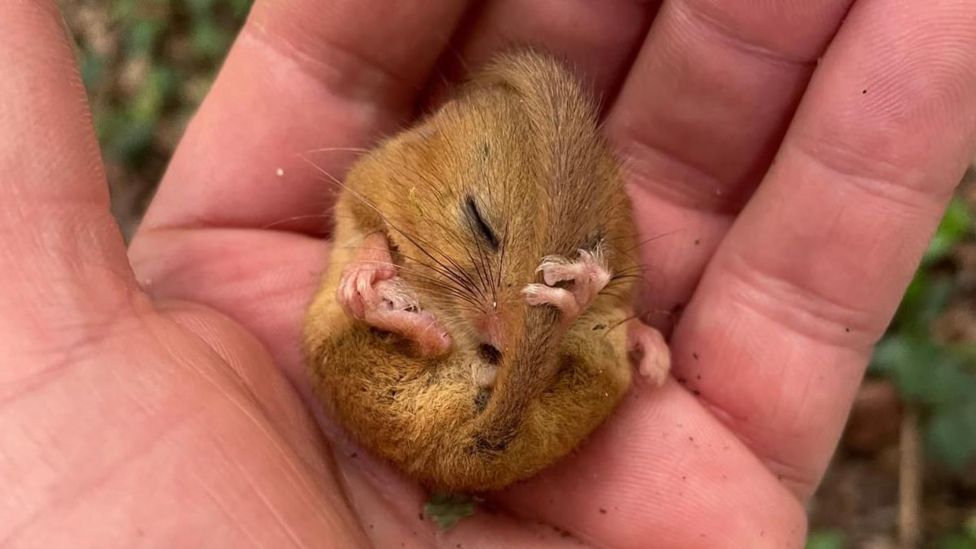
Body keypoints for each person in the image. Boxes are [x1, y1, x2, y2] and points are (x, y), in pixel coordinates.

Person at [2, 1, 974, 546]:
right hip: (403, 393)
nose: (500, 316)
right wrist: (383, 272)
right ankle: (421, 327)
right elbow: (362, 212)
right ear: (441, 146)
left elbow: (602, 296)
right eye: (476, 226)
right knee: (349, 317)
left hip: (531, 417)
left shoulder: (593, 238)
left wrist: (620, 325)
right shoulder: (412, 173)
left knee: (580, 325)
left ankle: (517, 328)